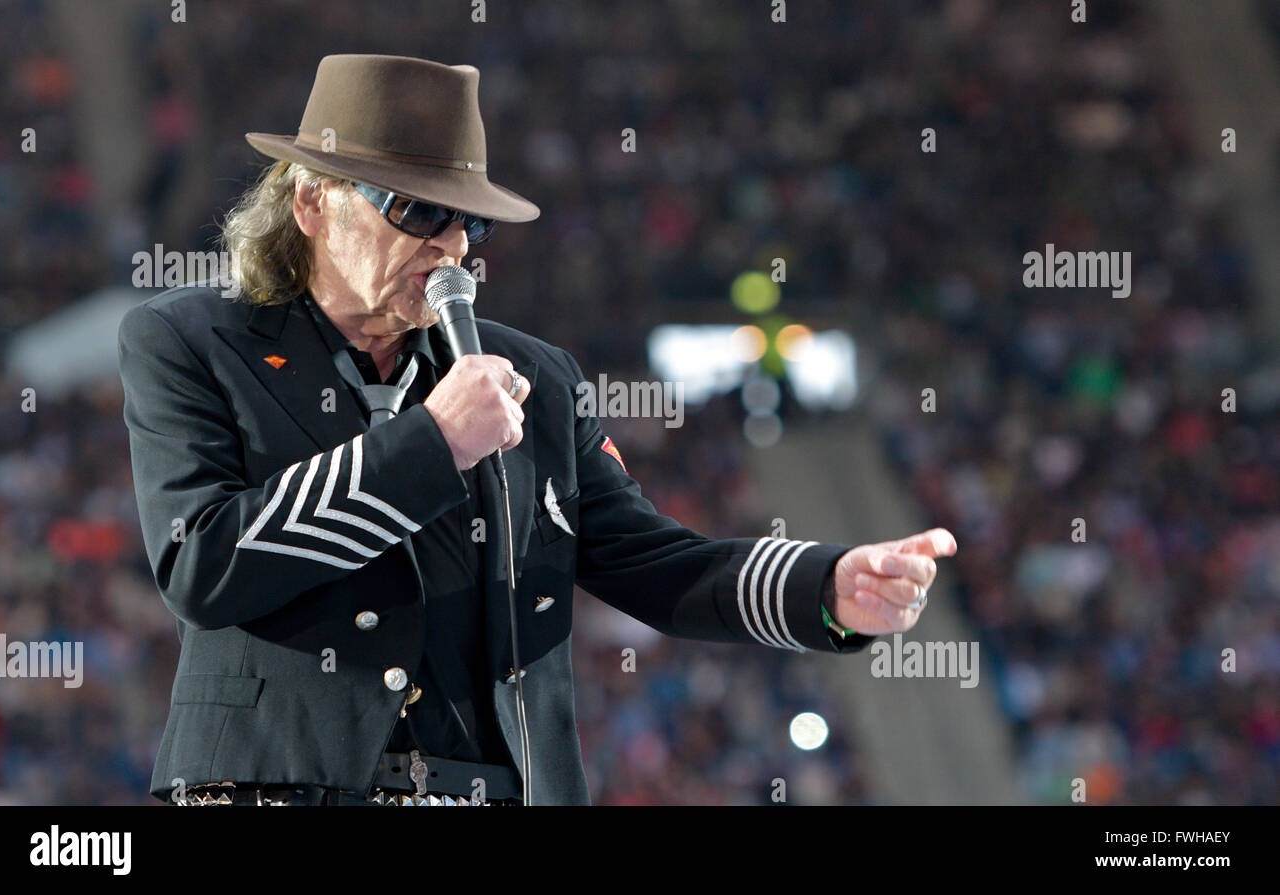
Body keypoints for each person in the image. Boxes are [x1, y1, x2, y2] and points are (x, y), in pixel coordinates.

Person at [117, 54, 957, 807]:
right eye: (416, 212)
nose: (449, 248)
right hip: (272, 784)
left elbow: (652, 563)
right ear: (310, 201)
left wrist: (825, 587)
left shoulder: (534, 378)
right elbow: (203, 562)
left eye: (468, 224)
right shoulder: (192, 341)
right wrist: (432, 443)